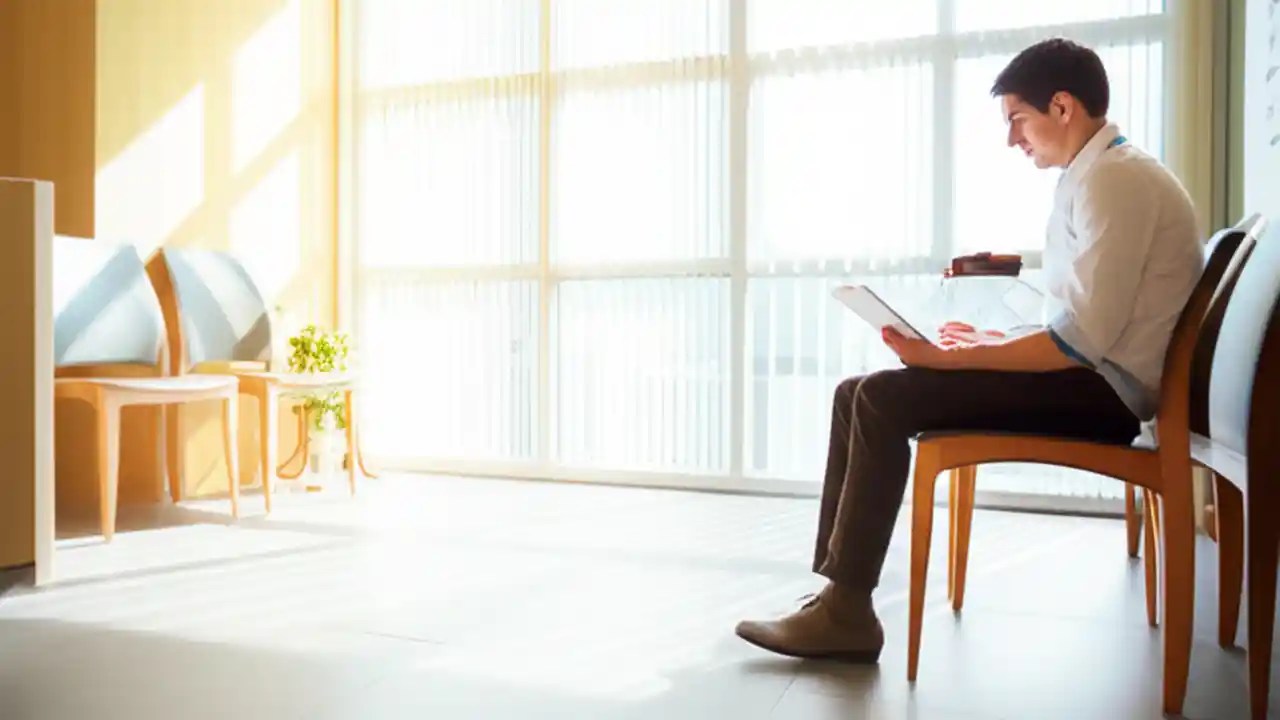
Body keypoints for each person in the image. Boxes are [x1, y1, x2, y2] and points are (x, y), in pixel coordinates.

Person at [734, 37, 1203, 662]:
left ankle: (847, 611)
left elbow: (1079, 341)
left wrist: (953, 361)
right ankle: (835, 594)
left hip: (1104, 395)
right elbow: (1081, 317)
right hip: (1094, 380)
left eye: (1017, 120)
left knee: (879, 395)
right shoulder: (1098, 174)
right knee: (856, 392)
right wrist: (993, 341)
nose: (1013, 139)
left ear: (1062, 107)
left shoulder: (1114, 181)